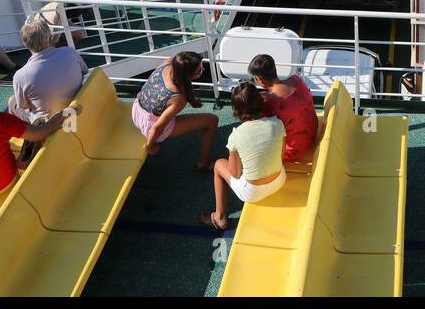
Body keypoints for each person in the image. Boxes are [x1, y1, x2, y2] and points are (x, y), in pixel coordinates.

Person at [202, 82, 286, 230]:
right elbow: (281, 155)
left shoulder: (236, 135)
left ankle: (219, 217)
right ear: (260, 100)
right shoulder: (277, 123)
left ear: (236, 110)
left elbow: (235, 173)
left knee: (218, 164)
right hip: (279, 181)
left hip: (253, 192)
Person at [130, 51, 218, 168]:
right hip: (150, 126)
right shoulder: (178, 97)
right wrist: (150, 147)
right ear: (188, 76)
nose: (203, 70)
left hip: (137, 110)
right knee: (212, 120)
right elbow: (158, 127)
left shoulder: (167, 62)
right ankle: (203, 163)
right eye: (199, 70)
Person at [9, 16, 87, 123]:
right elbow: (84, 72)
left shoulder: (20, 76)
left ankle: (17, 135)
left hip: (49, 125)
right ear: (50, 38)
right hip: (80, 110)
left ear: (26, 45)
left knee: (12, 101)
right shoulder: (70, 52)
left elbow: (24, 106)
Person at [248, 54, 317, 163]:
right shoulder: (297, 80)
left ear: (260, 79)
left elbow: (262, 131)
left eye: (254, 79)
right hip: (312, 134)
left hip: (294, 151)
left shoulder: (270, 105)